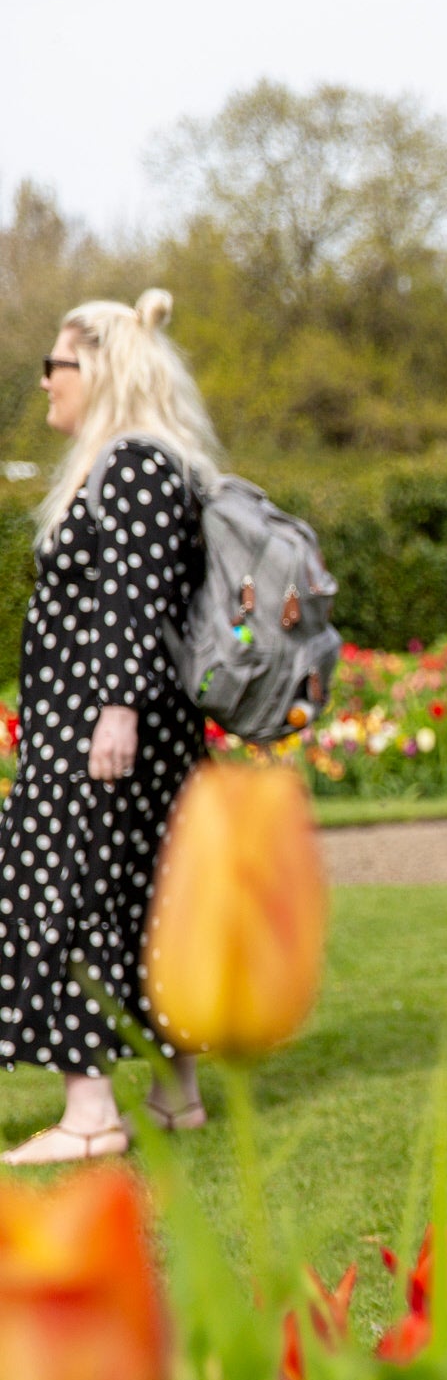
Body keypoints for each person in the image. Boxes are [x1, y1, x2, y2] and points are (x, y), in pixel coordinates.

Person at [2, 291, 215, 1162]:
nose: (46, 381)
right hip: (111, 722)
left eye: (55, 365)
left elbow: (135, 597)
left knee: (67, 898)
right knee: (141, 900)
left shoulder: (129, 464)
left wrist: (113, 712)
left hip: (101, 727)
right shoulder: (144, 461)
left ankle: (90, 1114)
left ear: (97, 369)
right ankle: (176, 1095)